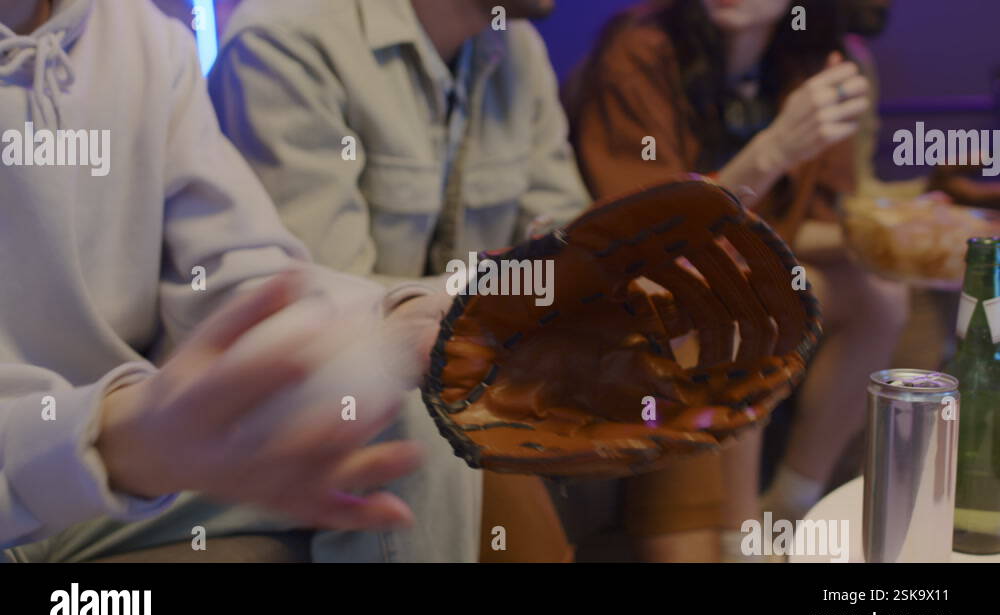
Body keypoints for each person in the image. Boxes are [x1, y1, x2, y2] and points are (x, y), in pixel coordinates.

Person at [0, 0, 453, 563]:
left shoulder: (148, 38)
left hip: (129, 458)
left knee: (402, 400)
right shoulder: (282, 35)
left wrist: (383, 320)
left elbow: (237, 274)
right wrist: (106, 439)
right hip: (53, 473)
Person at [209, 0, 592, 562]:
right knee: (417, 377)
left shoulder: (516, 45)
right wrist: (513, 294)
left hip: (468, 355)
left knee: (673, 348)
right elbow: (325, 302)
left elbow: (571, 247)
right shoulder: (285, 37)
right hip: (315, 374)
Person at [566, 0, 909, 558]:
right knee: (753, 294)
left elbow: (819, 220)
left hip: (747, 263)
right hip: (646, 284)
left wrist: (904, 230)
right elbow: (645, 237)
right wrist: (772, 150)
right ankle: (741, 539)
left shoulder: (811, 62)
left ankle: (793, 503)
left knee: (883, 296)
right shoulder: (642, 48)